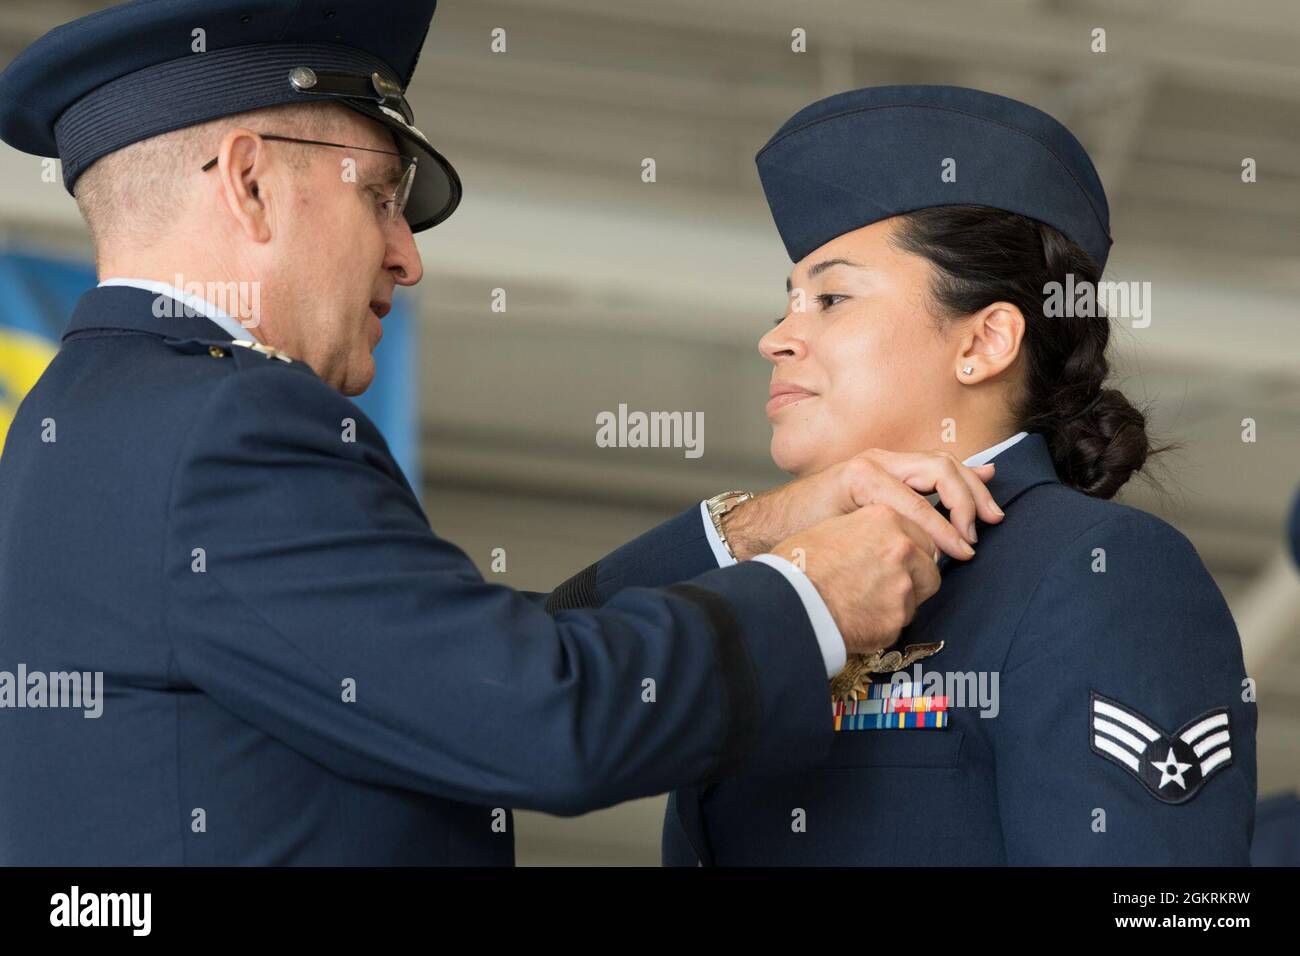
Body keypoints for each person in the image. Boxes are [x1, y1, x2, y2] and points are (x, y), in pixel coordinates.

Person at [0, 4, 998, 865]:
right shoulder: (225, 423)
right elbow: (536, 712)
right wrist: (811, 593)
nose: (405, 257)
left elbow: (457, 662)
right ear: (252, 183)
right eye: (379, 197)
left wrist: (751, 533)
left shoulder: (86, 424)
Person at [660, 85, 1257, 866]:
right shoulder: (776, 574)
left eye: (831, 297)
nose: (776, 337)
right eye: (788, 304)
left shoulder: (1100, 573)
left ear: (985, 341)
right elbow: (545, 662)